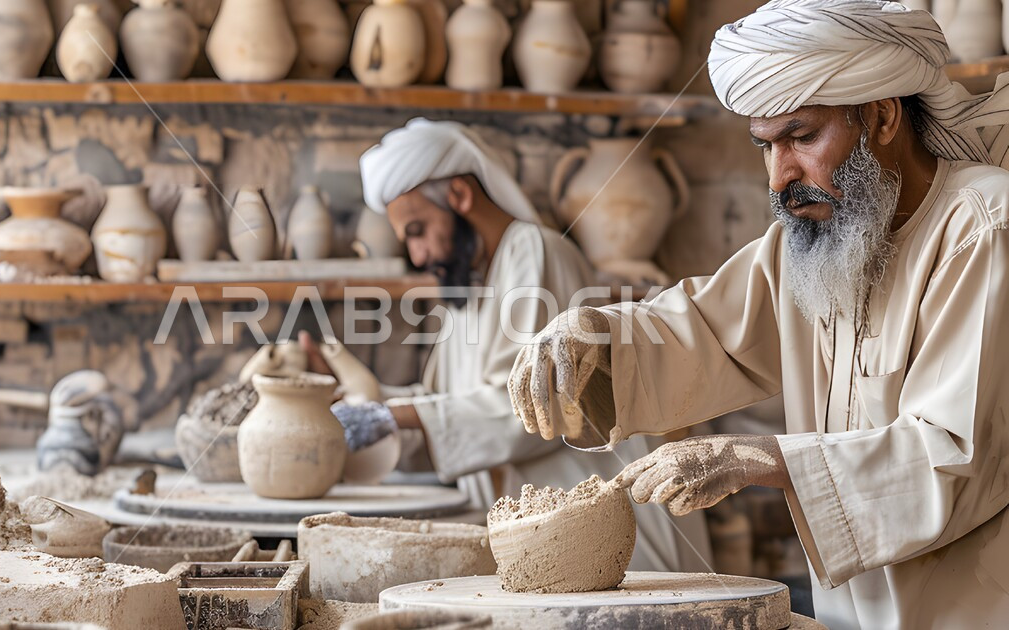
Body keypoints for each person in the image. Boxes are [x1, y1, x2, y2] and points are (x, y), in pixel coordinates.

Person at [508, 1, 1009, 627]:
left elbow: (950, 455)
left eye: (802, 137)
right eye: (764, 145)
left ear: (882, 117)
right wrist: (590, 338)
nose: (779, 177)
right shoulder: (813, 238)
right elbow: (705, 334)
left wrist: (759, 459)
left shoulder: (983, 228)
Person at [304, 118, 711, 574]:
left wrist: (388, 415)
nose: (417, 256)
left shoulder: (534, 251)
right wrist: (349, 401)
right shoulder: (469, 285)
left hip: (609, 532)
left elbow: (532, 407)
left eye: (417, 230)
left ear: (459, 195)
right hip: (547, 541)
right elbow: (449, 407)